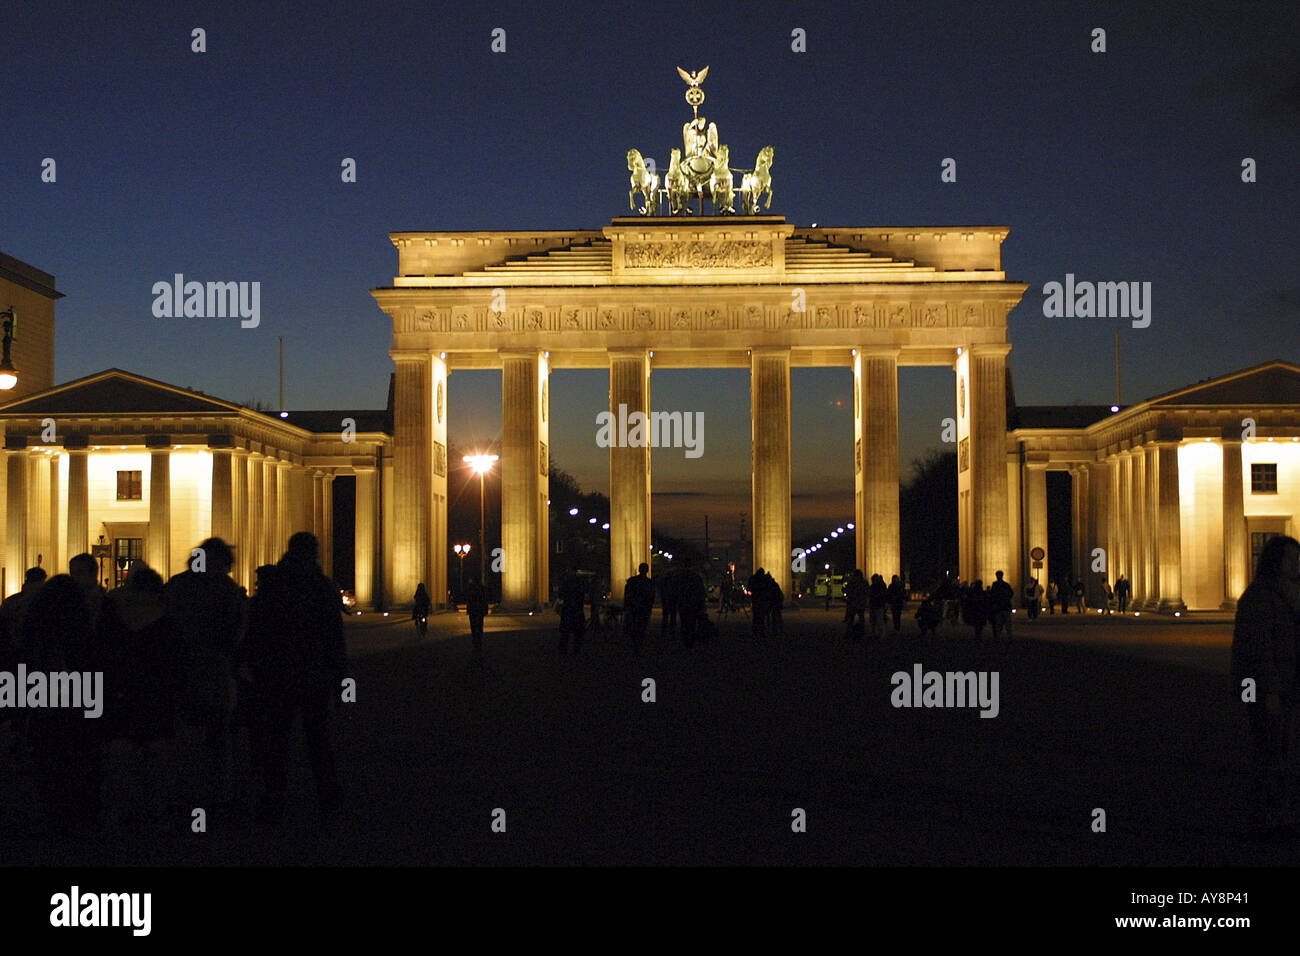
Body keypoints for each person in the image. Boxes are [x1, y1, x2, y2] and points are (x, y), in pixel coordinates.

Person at [244, 532, 345, 825]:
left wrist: (252, 666)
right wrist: (340, 678)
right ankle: (327, 792)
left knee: (277, 738)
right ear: (313, 554)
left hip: (277, 674)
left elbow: (257, 626)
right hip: (312, 672)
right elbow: (333, 636)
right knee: (318, 737)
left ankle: (274, 797)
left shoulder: (274, 584)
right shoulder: (321, 586)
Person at [100, 562, 183, 828]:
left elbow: (105, 658)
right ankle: (155, 809)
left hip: (124, 694)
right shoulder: (168, 623)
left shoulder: (116, 619)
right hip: (157, 696)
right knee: (158, 752)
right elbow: (175, 664)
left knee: (122, 751)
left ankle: (123, 808)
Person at [17, 575, 102, 834]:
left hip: (45, 700)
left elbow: (24, 663)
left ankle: (55, 811)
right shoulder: (82, 627)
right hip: (78, 700)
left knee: (48, 757)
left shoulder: (36, 628)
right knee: (80, 756)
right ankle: (83, 811)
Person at [165, 537, 247, 809]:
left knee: (186, 735)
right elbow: (238, 631)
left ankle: (185, 794)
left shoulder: (177, 586)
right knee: (218, 736)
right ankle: (218, 795)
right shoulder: (226, 589)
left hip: (182, 670)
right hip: (214, 670)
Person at [1230, 535, 1300, 835]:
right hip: (1268, 691)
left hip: (1287, 688)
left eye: (1298, 559)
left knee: (1282, 753)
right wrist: (1268, 691)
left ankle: (1277, 813)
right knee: (1269, 755)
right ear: (1275, 562)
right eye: (1291, 559)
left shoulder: (1290, 595)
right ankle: (1264, 818)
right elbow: (1258, 650)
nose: (1296, 564)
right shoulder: (1260, 597)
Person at [623, 563, 655, 656]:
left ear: (639, 570)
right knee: (642, 627)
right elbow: (651, 597)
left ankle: (633, 645)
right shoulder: (649, 583)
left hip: (633, 607)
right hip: (643, 609)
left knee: (633, 626)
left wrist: (626, 606)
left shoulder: (632, 581)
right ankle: (639, 645)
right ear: (647, 571)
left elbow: (627, 595)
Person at [678, 560, 707, 647]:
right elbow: (701, 590)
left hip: (683, 603)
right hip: (694, 603)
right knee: (692, 622)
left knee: (684, 622)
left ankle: (685, 639)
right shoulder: (696, 577)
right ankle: (691, 639)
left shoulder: (680, 577)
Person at [557, 572, 587, 655]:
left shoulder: (566, 584)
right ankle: (576, 651)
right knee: (577, 634)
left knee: (565, 634)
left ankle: (563, 651)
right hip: (577, 612)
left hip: (568, 611)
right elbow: (582, 597)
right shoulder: (580, 585)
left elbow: (560, 596)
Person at [464, 577, 490, 661]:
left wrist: (468, 609)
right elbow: (485, 599)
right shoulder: (482, 588)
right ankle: (479, 641)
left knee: (473, 626)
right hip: (479, 611)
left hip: (473, 611)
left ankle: (475, 640)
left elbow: (468, 599)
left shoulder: (471, 589)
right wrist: (485, 610)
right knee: (479, 626)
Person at [988, 570, 1014, 640]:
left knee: (1001, 623)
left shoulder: (996, 585)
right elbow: (1011, 593)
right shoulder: (1005, 585)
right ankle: (1006, 636)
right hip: (1003, 606)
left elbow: (992, 595)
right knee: (1004, 623)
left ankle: (1000, 636)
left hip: (1000, 607)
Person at [844, 569, 868, 640]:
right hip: (861, 603)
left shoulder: (851, 582)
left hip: (853, 603)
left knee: (851, 619)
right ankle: (862, 632)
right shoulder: (864, 582)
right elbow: (866, 592)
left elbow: (847, 590)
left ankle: (848, 633)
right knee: (861, 618)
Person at [659, 566, 680, 638]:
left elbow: (661, 590)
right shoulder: (675, 581)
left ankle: (664, 632)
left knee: (665, 617)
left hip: (666, 600)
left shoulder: (664, 581)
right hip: (672, 600)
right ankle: (672, 632)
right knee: (672, 617)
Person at [748, 568, 769, 639]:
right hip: (762, 600)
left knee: (756, 617)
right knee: (761, 617)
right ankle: (761, 632)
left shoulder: (753, 579)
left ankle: (755, 632)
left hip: (755, 600)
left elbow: (749, 588)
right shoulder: (763, 579)